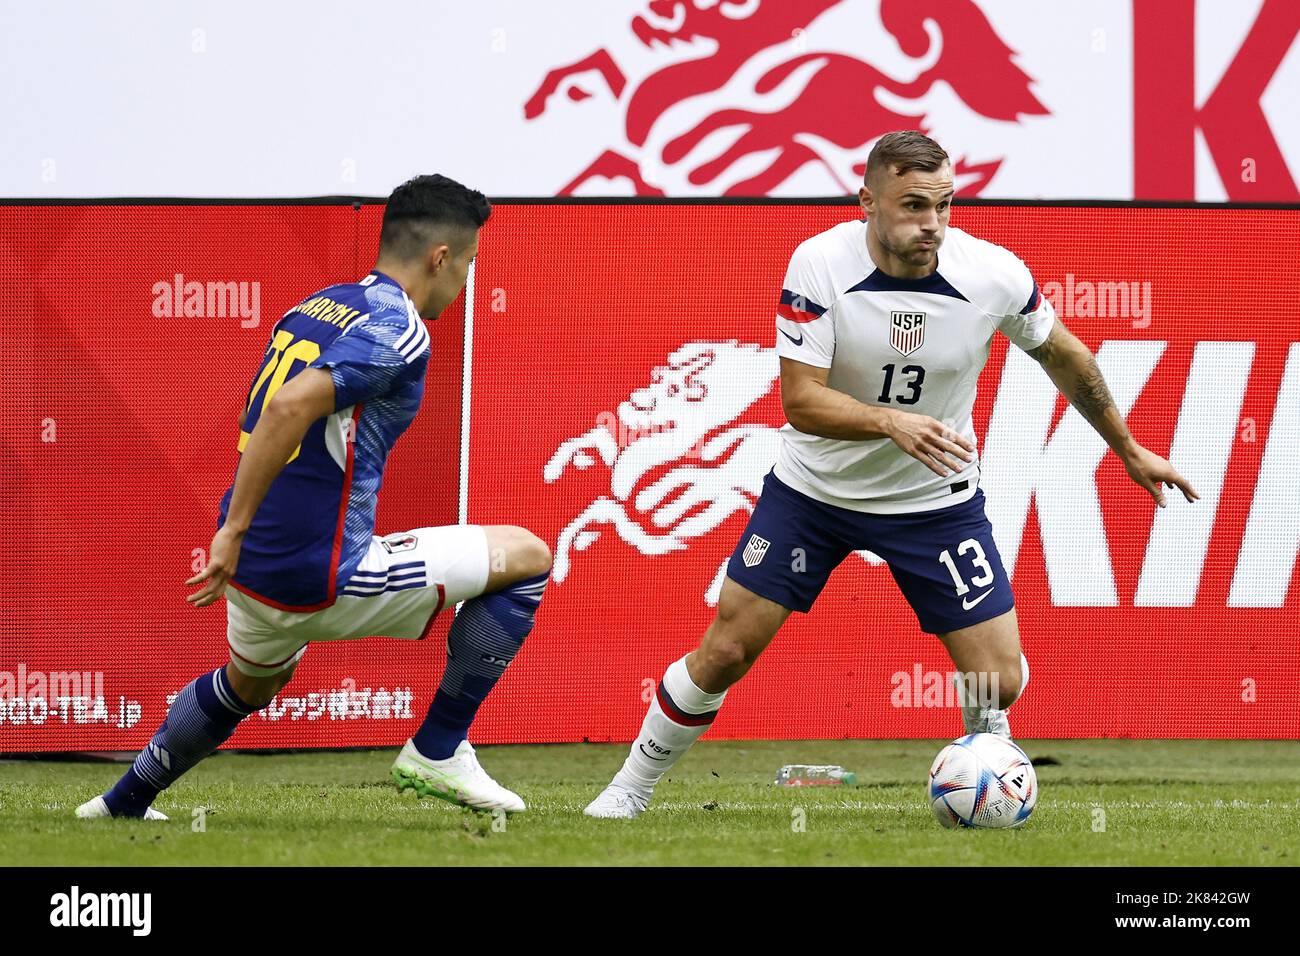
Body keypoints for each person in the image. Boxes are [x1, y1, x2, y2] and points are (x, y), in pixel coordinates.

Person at [585, 130, 1198, 819]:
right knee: (726, 650)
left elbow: (1064, 356)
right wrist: (890, 421)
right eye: (913, 205)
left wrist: (1127, 446)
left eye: (944, 205)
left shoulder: (993, 274)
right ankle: (629, 788)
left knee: (999, 679)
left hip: (933, 499)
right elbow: (800, 401)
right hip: (813, 495)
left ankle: (984, 743)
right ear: (867, 202)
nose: (932, 223)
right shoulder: (819, 264)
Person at [77, 174, 550, 820]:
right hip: (318, 573)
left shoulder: (317, 306)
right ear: (442, 258)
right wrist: (233, 530)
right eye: (467, 265)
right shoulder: (399, 328)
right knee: (527, 556)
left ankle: (122, 801)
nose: (464, 282)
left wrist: (234, 535)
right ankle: (438, 749)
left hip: (254, 575)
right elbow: (288, 406)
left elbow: (273, 414)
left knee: (252, 681)